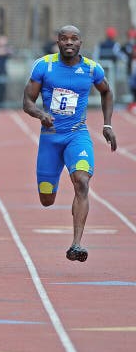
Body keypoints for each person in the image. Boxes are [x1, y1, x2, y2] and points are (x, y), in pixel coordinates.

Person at [23, 25, 117, 262]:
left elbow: (107, 92)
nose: (69, 42)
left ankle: (76, 244)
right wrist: (40, 115)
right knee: (47, 200)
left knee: (82, 182)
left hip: (77, 135)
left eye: (74, 39)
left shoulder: (91, 68)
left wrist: (107, 125)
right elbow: (27, 101)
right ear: (58, 42)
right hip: (50, 138)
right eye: (64, 39)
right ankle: (64, 185)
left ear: (80, 43)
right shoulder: (44, 65)